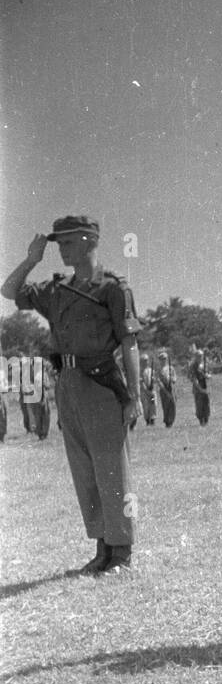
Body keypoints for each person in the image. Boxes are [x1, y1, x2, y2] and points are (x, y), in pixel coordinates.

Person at [1, 215, 142, 573]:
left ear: (87, 240)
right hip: (67, 384)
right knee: (85, 470)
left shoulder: (113, 288)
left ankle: (121, 550)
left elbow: (130, 344)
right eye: (57, 243)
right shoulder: (56, 289)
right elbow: (8, 290)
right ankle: (102, 547)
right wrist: (32, 259)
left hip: (100, 384)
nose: (60, 250)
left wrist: (135, 396)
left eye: (65, 242)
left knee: (112, 470)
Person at [189, 346, 210, 425]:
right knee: (199, 405)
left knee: (206, 404)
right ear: (195, 357)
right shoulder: (193, 366)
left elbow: (208, 374)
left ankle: (206, 419)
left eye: (201, 356)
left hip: (205, 386)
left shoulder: (205, 364)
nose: (200, 357)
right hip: (198, 388)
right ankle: (201, 420)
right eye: (198, 356)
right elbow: (194, 379)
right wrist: (201, 389)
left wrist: (208, 376)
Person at [156, 349, 177, 427]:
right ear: (159, 360)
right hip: (164, 390)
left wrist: (172, 379)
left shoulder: (171, 368)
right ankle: (167, 422)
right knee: (166, 406)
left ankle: (171, 420)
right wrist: (166, 392)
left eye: (165, 358)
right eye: (162, 359)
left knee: (173, 405)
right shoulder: (158, 370)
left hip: (171, 388)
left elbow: (175, 377)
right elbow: (158, 381)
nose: (164, 360)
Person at [140, 351, 157, 424]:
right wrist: (147, 391)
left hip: (152, 391)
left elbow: (155, 381)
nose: (145, 362)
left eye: (146, 360)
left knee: (153, 405)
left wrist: (153, 380)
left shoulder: (151, 370)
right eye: (143, 361)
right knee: (146, 406)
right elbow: (141, 382)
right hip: (144, 392)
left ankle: (153, 419)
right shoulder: (140, 371)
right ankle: (147, 420)